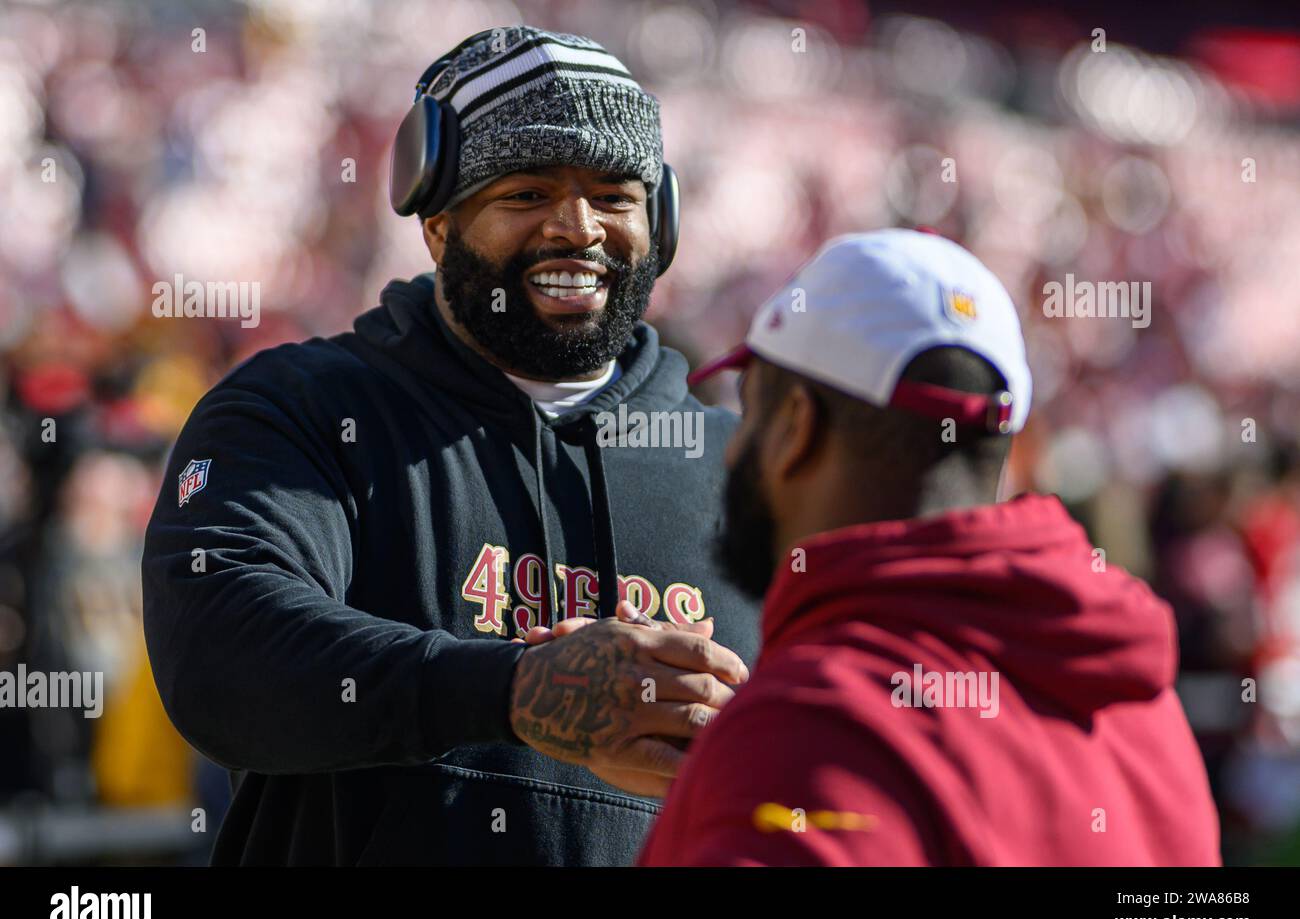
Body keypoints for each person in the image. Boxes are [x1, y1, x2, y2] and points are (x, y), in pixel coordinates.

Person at [142, 26, 758, 866]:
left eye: (614, 195)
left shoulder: (745, 470)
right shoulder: (299, 409)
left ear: (664, 222)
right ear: (436, 223)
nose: (576, 228)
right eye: (527, 193)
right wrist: (513, 692)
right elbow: (219, 656)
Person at [639, 229, 1222, 865]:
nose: (730, 449)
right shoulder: (1142, 712)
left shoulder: (814, 727)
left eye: (749, 410)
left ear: (795, 425)